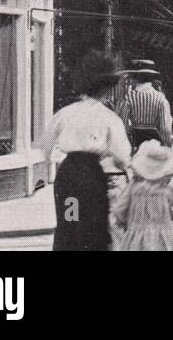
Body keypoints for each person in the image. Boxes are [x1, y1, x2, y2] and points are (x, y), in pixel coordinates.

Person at [38, 51, 131, 251]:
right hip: (91, 175)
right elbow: (123, 155)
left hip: (68, 174)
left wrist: (54, 160)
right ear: (106, 87)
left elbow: (44, 147)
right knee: (93, 226)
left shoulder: (65, 113)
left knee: (69, 221)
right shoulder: (109, 117)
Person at [114, 140, 173, 251]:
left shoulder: (134, 187)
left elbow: (120, 209)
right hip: (160, 238)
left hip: (136, 237)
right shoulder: (166, 188)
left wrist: (124, 220)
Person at [124, 66, 172, 151]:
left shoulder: (128, 97)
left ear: (135, 78)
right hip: (154, 141)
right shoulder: (160, 98)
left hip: (136, 139)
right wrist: (167, 147)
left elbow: (123, 123)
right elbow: (165, 128)